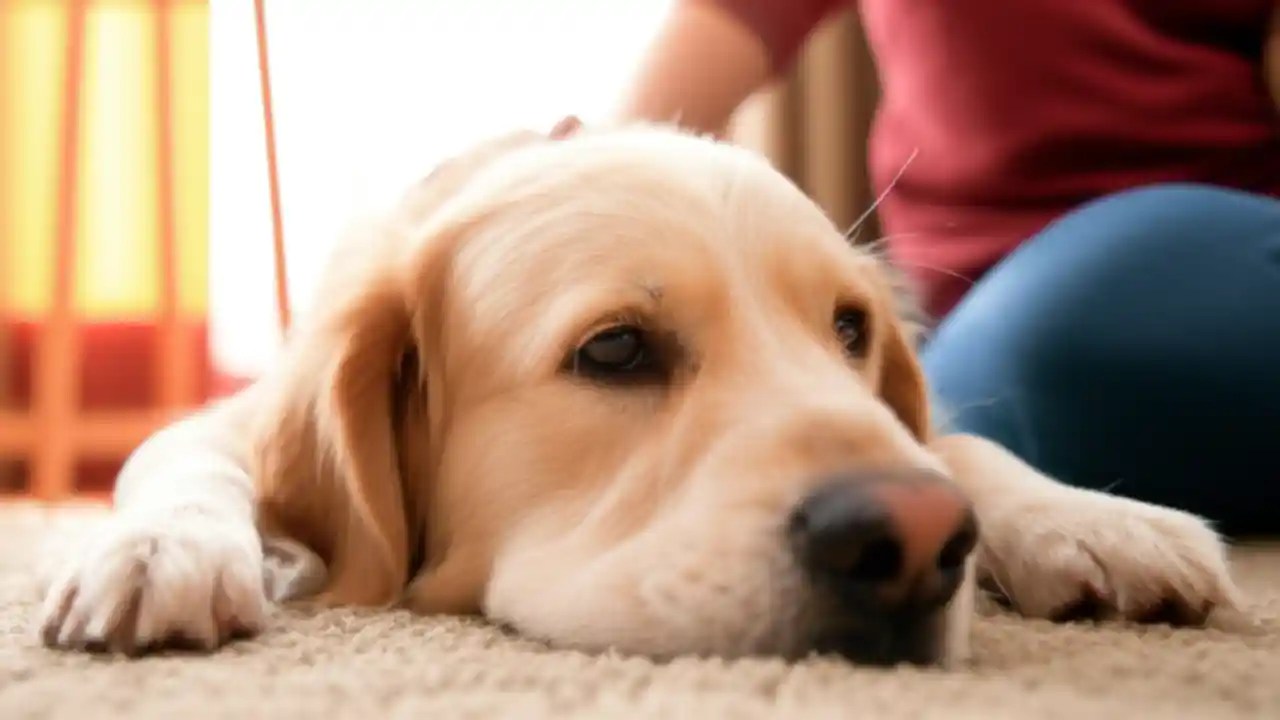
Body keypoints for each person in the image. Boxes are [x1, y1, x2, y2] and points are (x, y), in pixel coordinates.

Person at [614, 0, 1280, 535]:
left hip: (1222, 262)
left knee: (1056, 337)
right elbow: (705, 54)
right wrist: (587, 170)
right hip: (981, 313)